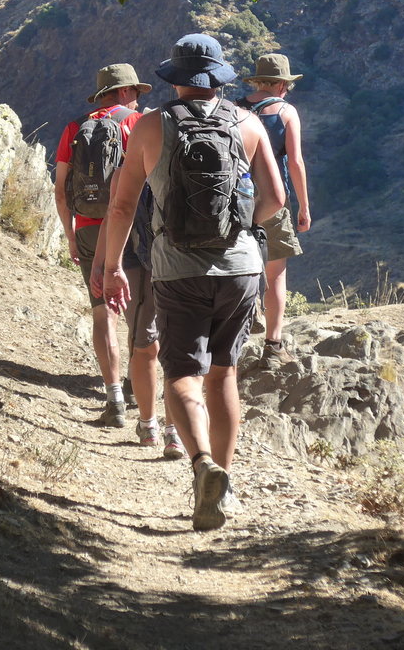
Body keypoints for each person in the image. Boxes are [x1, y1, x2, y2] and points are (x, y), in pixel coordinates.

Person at [101, 34, 285, 530]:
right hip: (242, 268)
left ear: (176, 79)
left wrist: (113, 266)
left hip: (176, 268)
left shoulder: (149, 126)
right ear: (219, 77)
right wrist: (242, 230)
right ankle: (225, 480)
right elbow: (276, 199)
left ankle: (201, 463)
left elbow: (121, 207)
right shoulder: (248, 124)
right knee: (223, 373)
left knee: (181, 374)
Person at [55, 63, 150, 428]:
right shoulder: (137, 124)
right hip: (132, 231)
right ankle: (135, 389)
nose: (139, 100)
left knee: (102, 313)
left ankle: (113, 399)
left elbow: (61, 191)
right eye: (137, 93)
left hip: (89, 230)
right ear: (126, 92)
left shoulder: (74, 127)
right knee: (136, 313)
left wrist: (70, 234)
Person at [91, 180, 185, 458]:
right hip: (186, 262)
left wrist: (103, 265)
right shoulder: (198, 146)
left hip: (137, 263)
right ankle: (173, 431)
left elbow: (116, 212)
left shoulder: (137, 152)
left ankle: (149, 426)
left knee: (145, 345)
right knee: (175, 349)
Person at [235, 53, 311, 370]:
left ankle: (232, 341)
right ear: (282, 83)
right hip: (273, 200)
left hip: (235, 199)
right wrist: (304, 207)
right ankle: (273, 346)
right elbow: (294, 161)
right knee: (276, 274)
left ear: (256, 81)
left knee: (237, 268)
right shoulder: (284, 112)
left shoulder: (234, 109)